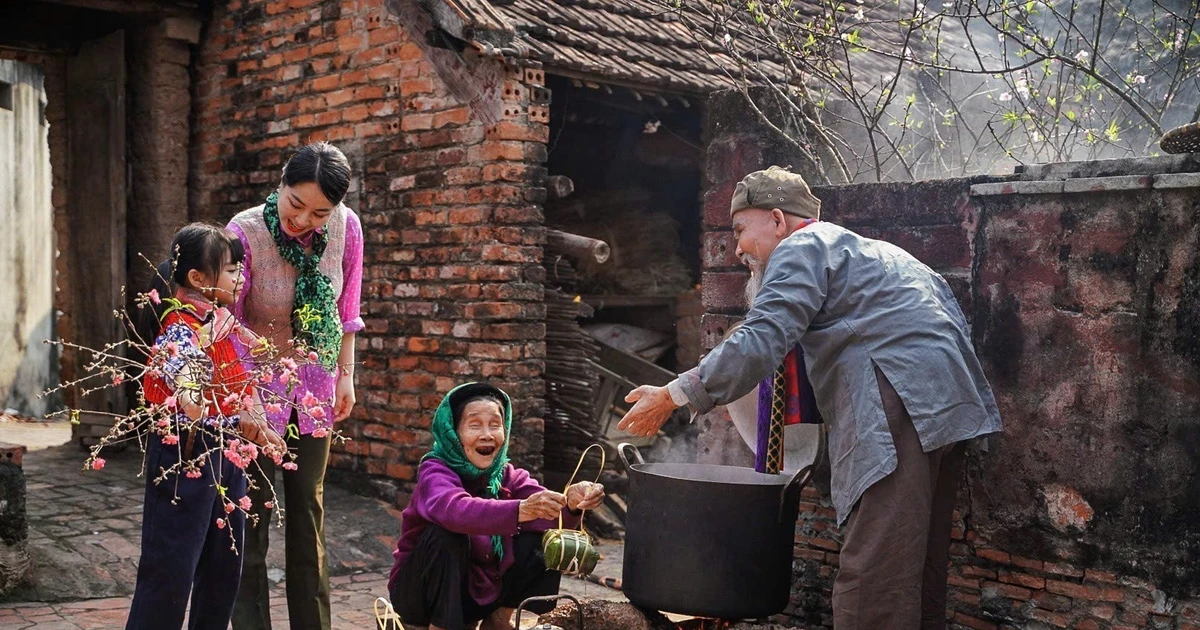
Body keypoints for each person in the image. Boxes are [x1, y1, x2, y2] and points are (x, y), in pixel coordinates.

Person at [617, 166, 1002, 630]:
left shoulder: (801, 247)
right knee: (915, 563)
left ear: (778, 220)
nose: (738, 249)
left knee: (874, 569)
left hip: (897, 401)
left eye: (741, 230)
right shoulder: (879, 253)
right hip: (949, 409)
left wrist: (676, 393)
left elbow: (762, 337)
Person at [227, 142, 365, 630]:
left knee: (307, 511)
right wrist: (245, 402)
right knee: (253, 515)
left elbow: (348, 310)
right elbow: (227, 323)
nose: (304, 220)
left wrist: (345, 378)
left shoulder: (346, 227)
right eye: (295, 204)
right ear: (280, 184)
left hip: (314, 391)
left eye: (319, 212)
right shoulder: (243, 234)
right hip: (254, 394)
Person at [127, 223, 284, 630]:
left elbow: (245, 373)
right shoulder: (179, 330)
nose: (240, 278)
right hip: (185, 454)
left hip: (225, 452)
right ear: (198, 278)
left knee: (222, 570)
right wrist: (203, 344)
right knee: (170, 572)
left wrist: (258, 421)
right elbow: (193, 405)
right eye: (232, 270)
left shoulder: (220, 321)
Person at [388, 382, 606, 630]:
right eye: (474, 425)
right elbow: (453, 511)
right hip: (419, 596)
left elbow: (553, 517)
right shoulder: (435, 470)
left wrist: (573, 503)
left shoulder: (507, 475)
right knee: (445, 535)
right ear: (453, 433)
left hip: (476, 592)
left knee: (541, 539)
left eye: (494, 424)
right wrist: (521, 510)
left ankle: (499, 620)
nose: (487, 434)